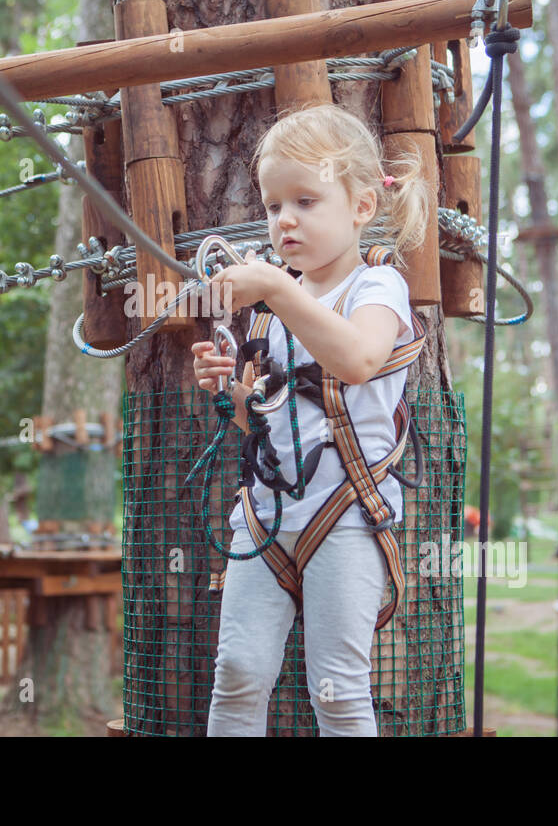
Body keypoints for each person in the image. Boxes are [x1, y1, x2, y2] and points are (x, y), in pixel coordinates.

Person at [191, 102, 428, 737]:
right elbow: (269, 424)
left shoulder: (376, 290)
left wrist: (276, 287)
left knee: (339, 689)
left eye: (305, 201)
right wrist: (233, 396)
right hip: (266, 515)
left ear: (360, 208)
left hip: (345, 515)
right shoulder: (275, 309)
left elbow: (357, 359)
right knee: (237, 672)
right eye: (272, 207)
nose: (284, 220)